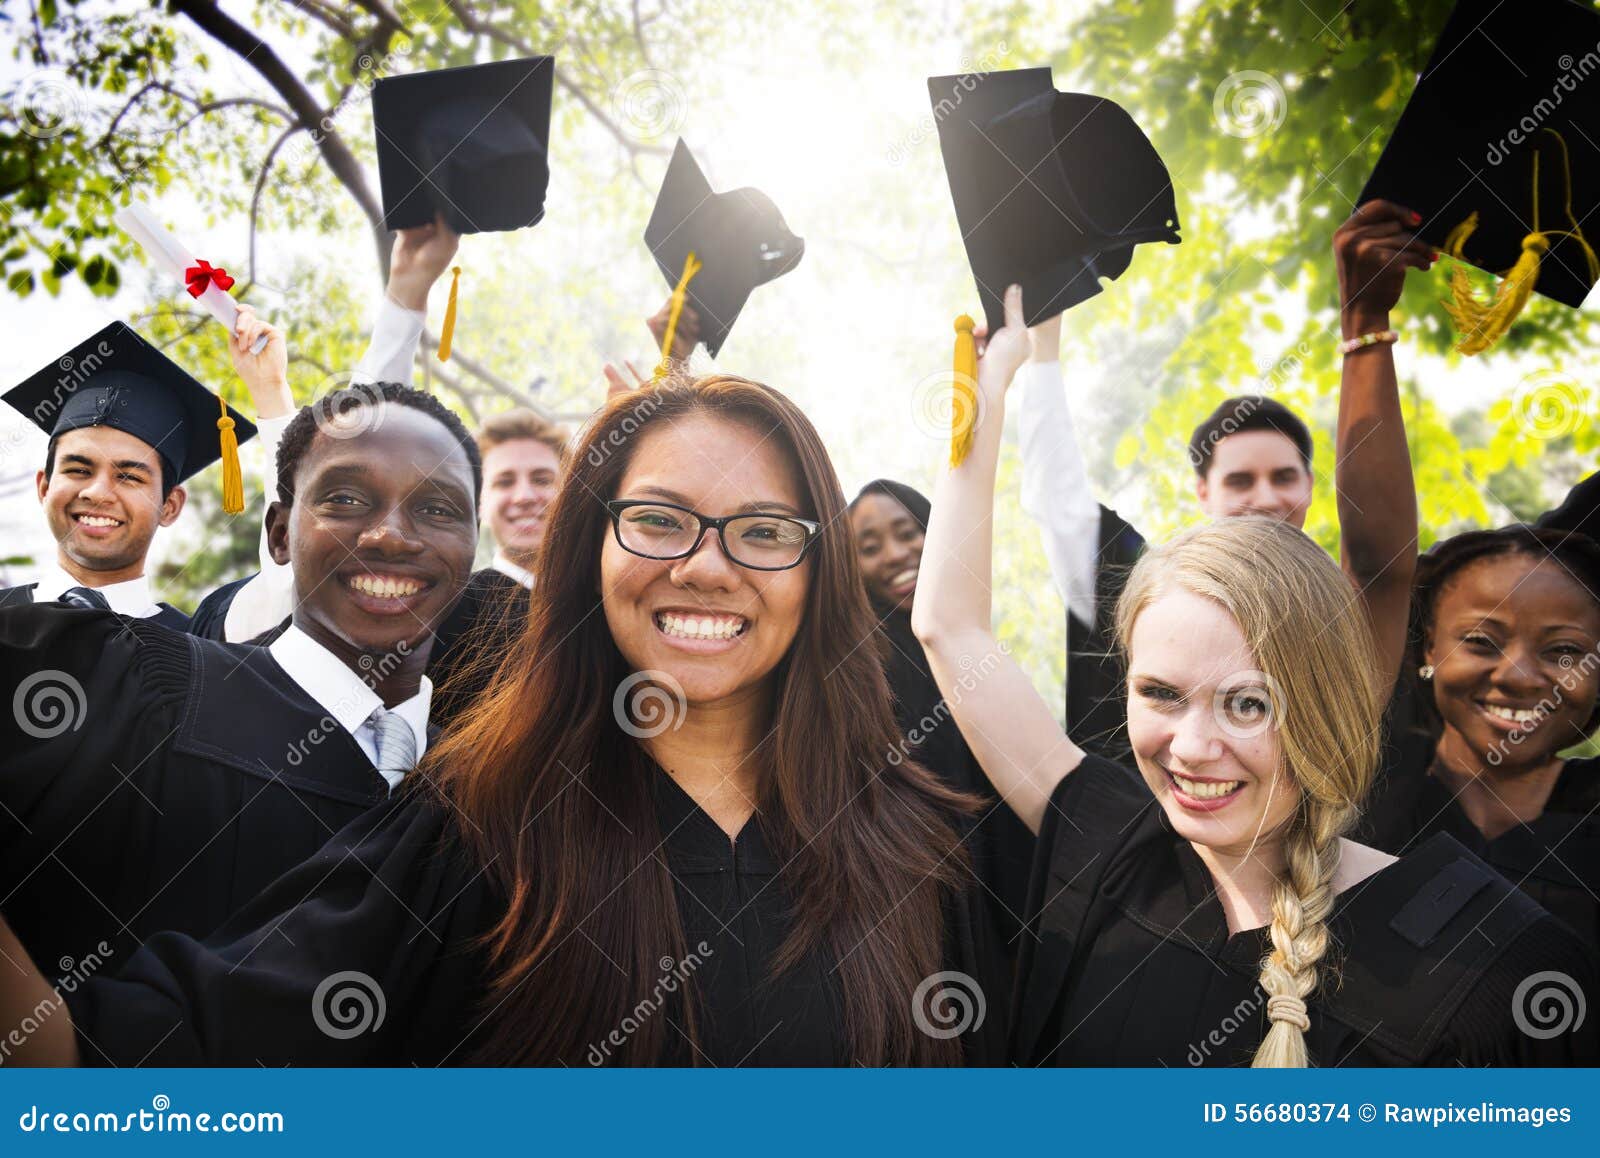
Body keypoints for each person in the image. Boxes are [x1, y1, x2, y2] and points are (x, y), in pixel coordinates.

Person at [0, 373, 1007, 1067]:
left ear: (818, 566)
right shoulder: (482, 824)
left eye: (764, 530)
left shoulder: (928, 844)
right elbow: (146, 1051)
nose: (707, 565)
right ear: (588, 553)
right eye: (656, 519)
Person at [910, 283, 1595, 1067]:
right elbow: (950, 627)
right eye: (1160, 693)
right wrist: (992, 390)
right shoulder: (1112, 851)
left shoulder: (1491, 969)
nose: (1193, 749)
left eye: (1248, 703)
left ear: (1328, 704)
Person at [0, 379, 480, 979]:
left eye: (438, 508)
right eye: (346, 500)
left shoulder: (486, 782)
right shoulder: (142, 691)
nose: (391, 534)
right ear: (279, 535)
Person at [1019, 200, 1428, 759]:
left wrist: (1365, 323)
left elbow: (1381, 564)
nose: (1264, 498)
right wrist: (1041, 347)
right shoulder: (1144, 587)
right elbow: (1059, 504)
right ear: (1203, 493)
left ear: (1311, 487)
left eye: (1283, 476)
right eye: (1240, 481)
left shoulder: (1336, 620)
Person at [1362, 523, 1600, 957]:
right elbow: (1375, 563)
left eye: (1563, 651)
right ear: (1429, 647)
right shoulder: (1365, 795)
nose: (1518, 676)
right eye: (1480, 642)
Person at [0, 312, 288, 628]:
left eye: (129, 477)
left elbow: (294, 578)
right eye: (79, 470)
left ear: (170, 505)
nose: (97, 492)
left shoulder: (202, 647)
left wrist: (272, 394)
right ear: (44, 487)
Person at [848, 479, 1033, 949]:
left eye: (908, 532)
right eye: (869, 547)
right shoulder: (858, 676)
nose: (893, 553)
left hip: (1019, 895)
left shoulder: (976, 649)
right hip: (922, 909)